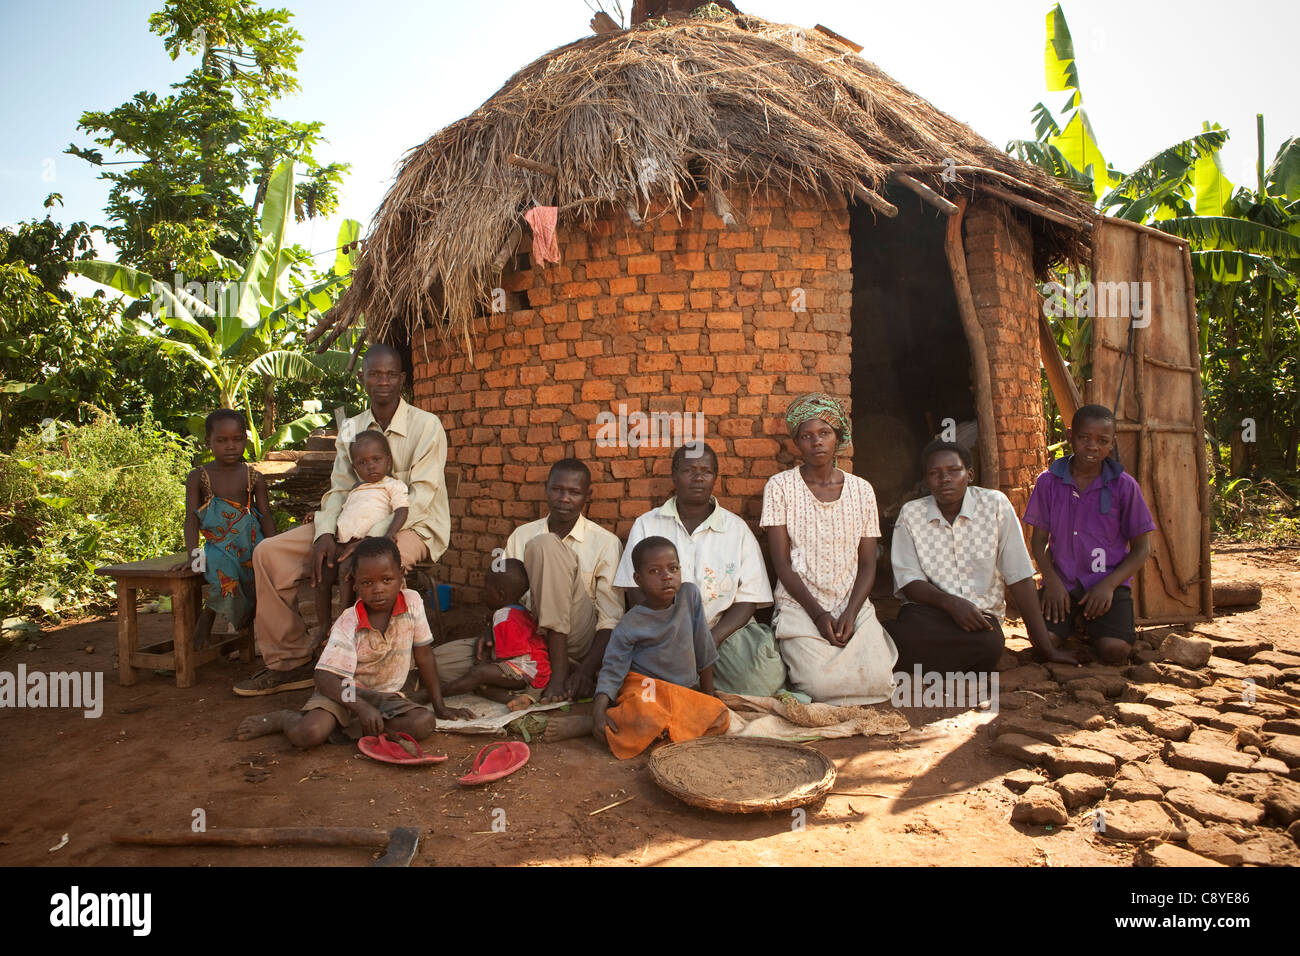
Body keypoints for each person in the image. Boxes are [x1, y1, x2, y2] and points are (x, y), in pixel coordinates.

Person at [237, 343, 450, 697]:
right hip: (349, 524)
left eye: (389, 374)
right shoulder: (351, 428)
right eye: (373, 374)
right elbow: (339, 490)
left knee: (375, 567)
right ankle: (291, 661)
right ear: (363, 379)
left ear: (401, 379)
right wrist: (324, 533)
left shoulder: (427, 426)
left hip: (411, 526)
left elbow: (421, 498)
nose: (382, 381)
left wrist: (369, 541)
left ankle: (379, 672)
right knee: (268, 553)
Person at [235, 537, 469, 747]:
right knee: (308, 734)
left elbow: (424, 655)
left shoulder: (413, 602)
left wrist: (439, 706)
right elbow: (324, 677)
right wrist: (361, 707)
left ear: (400, 575)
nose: (378, 589)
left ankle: (354, 726)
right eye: (367, 583)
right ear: (354, 583)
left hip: (384, 696)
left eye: (387, 580)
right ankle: (285, 718)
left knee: (423, 723)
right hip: (343, 692)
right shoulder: (350, 620)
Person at [886, 440, 1083, 676]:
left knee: (989, 645)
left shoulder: (995, 505)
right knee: (906, 634)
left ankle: (909, 664)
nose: (945, 478)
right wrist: (950, 603)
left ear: (969, 474)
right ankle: (936, 663)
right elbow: (909, 582)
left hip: (980, 619)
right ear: (926, 481)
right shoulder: (911, 513)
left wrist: (1046, 648)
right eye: (934, 473)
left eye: (953, 471)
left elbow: (1019, 576)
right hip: (929, 614)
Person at [434, 458, 622, 702]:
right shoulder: (521, 535)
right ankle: (539, 672)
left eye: (574, 492)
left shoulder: (605, 543)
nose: (564, 498)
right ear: (546, 489)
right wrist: (494, 629)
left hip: (576, 639)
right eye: (557, 489)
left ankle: (560, 671)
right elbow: (504, 595)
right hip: (526, 639)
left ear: (588, 495)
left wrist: (586, 671)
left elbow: (610, 620)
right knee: (440, 664)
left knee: (546, 545)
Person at [614, 442, 782, 697]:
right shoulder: (647, 525)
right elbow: (634, 588)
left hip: (722, 633)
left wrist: (709, 641)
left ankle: (695, 681)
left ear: (715, 477)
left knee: (762, 683)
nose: (698, 478)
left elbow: (749, 599)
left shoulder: (735, 529)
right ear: (674, 475)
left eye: (706, 471)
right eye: (689, 470)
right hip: (663, 633)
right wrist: (668, 633)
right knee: (640, 689)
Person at [760, 393, 897, 705]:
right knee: (818, 685)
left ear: (838, 438)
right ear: (797, 443)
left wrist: (849, 611)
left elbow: (867, 565)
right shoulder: (780, 487)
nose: (816, 443)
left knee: (878, 680)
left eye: (824, 433)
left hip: (852, 605)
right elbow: (781, 564)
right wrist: (819, 615)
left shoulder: (862, 491)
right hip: (801, 606)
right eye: (806, 437)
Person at [1024, 404, 1155, 666]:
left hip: (1107, 585)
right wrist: (1051, 582)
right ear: (1071, 436)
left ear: (1112, 444)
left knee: (1115, 651)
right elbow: (1038, 542)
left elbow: (1142, 549)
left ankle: (1092, 628)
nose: (1093, 446)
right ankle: (1075, 624)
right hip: (1062, 584)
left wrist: (1108, 585)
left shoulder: (1124, 486)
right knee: (1044, 644)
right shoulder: (1049, 482)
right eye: (1085, 438)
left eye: (1102, 441)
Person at [591, 537, 729, 758]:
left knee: (719, 714)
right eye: (655, 571)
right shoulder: (629, 624)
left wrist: (708, 695)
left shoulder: (689, 595)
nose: (667, 576)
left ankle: (659, 733)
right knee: (646, 715)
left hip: (682, 691)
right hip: (648, 689)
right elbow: (612, 670)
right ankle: (594, 722)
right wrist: (598, 712)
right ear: (638, 579)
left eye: (673, 568)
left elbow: (703, 646)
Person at [177, 409, 276, 648]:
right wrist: (194, 555)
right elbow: (191, 519)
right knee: (224, 570)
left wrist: (275, 550)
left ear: (245, 439)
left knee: (259, 577)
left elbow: (266, 517)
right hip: (219, 547)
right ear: (208, 442)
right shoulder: (199, 477)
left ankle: (245, 629)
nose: (230, 446)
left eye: (237, 439)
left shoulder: (254, 477)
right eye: (221, 440)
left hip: (252, 544)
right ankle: (207, 617)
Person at [312, 431, 409, 637]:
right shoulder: (356, 488)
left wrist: (390, 533)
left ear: (388, 461)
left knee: (347, 571)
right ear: (355, 467)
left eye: (376, 459)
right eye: (363, 463)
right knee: (322, 575)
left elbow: (402, 510)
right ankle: (322, 628)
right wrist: (314, 515)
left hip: (364, 546)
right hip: (342, 542)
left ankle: (344, 623)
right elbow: (345, 512)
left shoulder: (393, 485)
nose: (371, 466)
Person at [440, 558, 550, 711]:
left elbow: (508, 655)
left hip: (526, 670)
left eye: (486, 590)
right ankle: (515, 699)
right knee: (480, 685)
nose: (483, 593)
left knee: (478, 674)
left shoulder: (503, 616)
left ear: (500, 595)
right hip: (534, 669)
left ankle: (434, 695)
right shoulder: (522, 611)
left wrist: (485, 665)